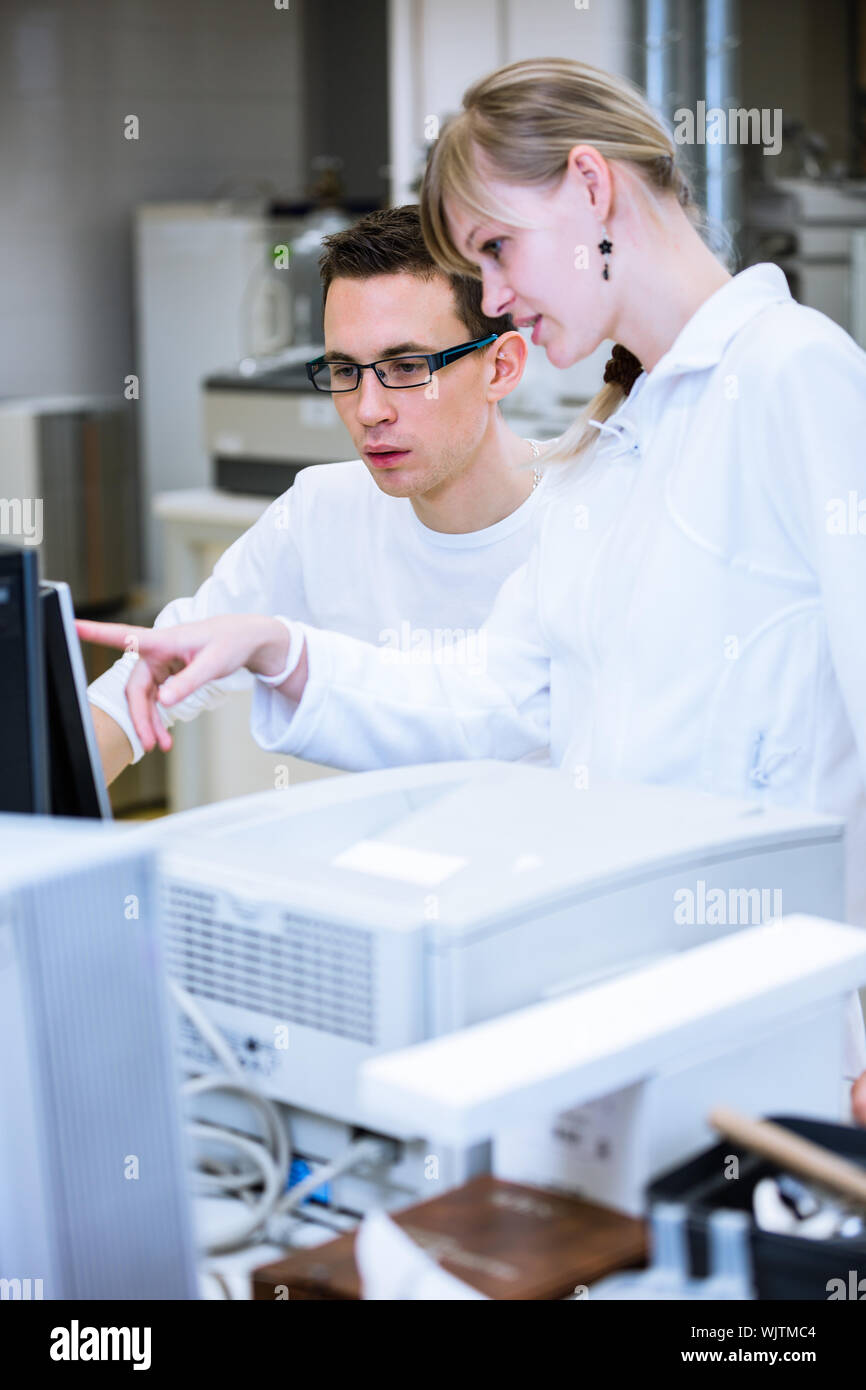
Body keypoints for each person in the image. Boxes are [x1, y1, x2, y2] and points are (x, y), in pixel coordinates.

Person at [77, 59, 866, 1115]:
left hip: (787, 1017)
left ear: (590, 186)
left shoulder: (790, 374)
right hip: (635, 1005)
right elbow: (489, 698)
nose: (492, 298)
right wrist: (281, 645)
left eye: (495, 247)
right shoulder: (605, 452)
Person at [85, 204, 546, 781]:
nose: (369, 410)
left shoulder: (588, 519)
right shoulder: (322, 509)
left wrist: (283, 650)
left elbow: (485, 712)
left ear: (500, 367)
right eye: (344, 370)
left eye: (406, 367)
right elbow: (145, 686)